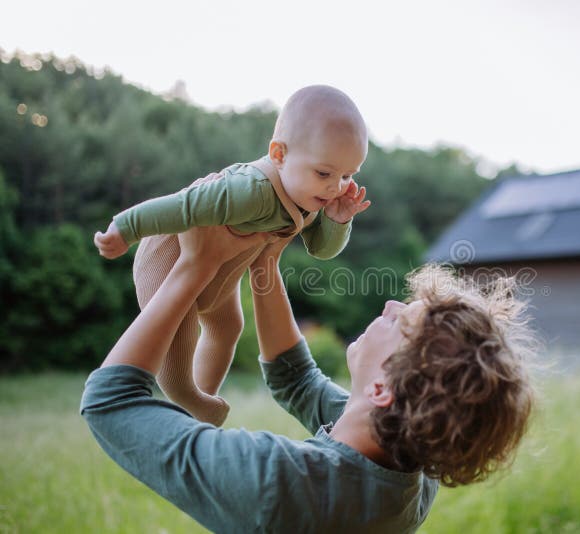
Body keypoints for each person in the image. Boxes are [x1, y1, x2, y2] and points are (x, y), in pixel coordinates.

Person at [81, 225, 537, 533]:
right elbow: (294, 377)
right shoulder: (411, 472)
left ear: (382, 388)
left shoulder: (276, 483)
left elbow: (110, 403)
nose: (389, 307)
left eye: (402, 323)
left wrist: (193, 267)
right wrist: (265, 260)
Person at [92, 85, 371, 425]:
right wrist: (126, 228)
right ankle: (188, 396)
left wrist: (338, 221)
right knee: (180, 337)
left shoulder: (309, 194)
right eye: (325, 173)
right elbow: (183, 207)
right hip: (170, 259)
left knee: (228, 327)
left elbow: (321, 249)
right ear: (279, 155)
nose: (336, 187)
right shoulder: (249, 191)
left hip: (221, 270)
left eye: (347, 176)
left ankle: (197, 415)